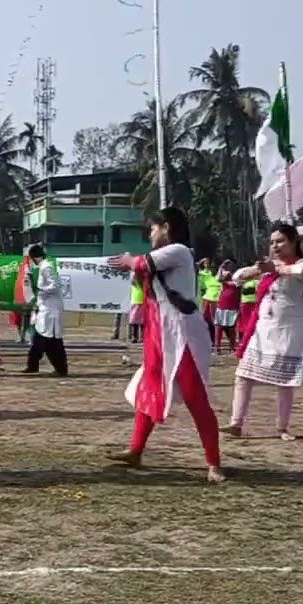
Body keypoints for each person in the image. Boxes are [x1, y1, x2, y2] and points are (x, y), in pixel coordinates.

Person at [107, 207, 224, 484]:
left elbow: (139, 263)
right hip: (161, 333)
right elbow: (143, 276)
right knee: (148, 389)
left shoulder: (180, 251)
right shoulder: (167, 257)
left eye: (153, 228)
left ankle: (214, 462)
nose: (150, 234)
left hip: (182, 334)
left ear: (166, 227)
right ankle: (136, 450)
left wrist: (128, 261)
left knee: (196, 398)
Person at [222, 223, 303, 442]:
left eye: (280, 241)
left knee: (285, 381)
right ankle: (236, 424)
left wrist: (275, 269)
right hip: (262, 330)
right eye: (272, 242)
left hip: (288, 330)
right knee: (243, 375)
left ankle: (282, 428)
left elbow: (300, 271)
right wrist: (258, 270)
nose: (275, 246)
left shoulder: (302, 265)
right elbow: (237, 276)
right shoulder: (268, 267)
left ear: (294, 242)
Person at [21, 245, 68, 376]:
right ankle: (34, 365)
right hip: (45, 309)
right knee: (41, 340)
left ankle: (59, 368)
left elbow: (56, 285)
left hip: (50, 311)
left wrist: (40, 290)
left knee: (49, 342)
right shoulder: (41, 267)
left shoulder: (46, 267)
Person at [213, 260, 241, 354]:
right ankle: (217, 347)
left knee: (232, 328)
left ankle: (232, 346)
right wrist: (221, 267)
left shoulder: (238, 279)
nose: (229, 268)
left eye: (231, 265)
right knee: (219, 327)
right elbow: (218, 278)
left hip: (233, 306)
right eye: (228, 265)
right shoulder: (223, 279)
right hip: (222, 305)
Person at [197, 258, 220, 338]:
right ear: (203, 264)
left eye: (209, 262)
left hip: (217, 296)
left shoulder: (215, 273)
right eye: (206, 263)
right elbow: (201, 286)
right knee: (205, 316)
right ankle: (208, 335)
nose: (208, 264)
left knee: (214, 318)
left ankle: (214, 336)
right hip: (207, 297)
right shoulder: (201, 274)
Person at [126, 274, 145, 344]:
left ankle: (143, 337)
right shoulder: (133, 281)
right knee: (134, 320)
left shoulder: (144, 281)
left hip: (144, 301)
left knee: (143, 321)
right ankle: (134, 337)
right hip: (135, 301)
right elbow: (132, 281)